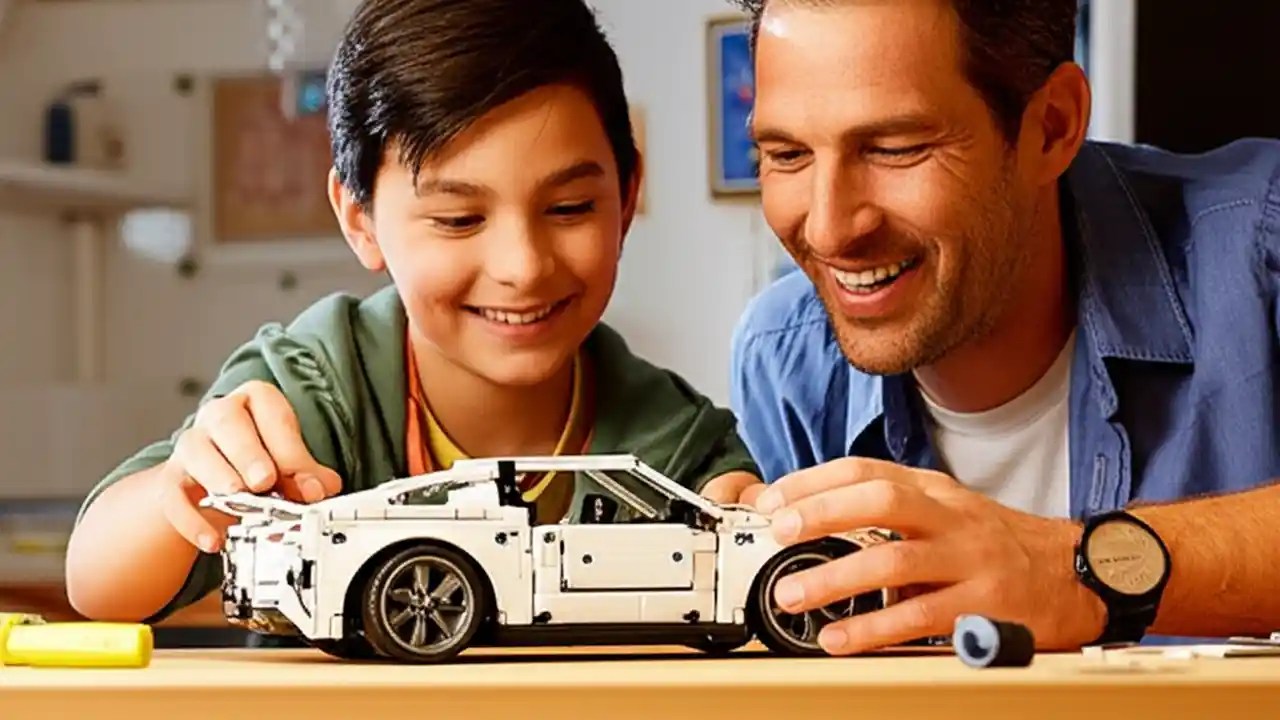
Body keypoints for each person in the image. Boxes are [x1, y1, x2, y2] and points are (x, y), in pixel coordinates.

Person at [65, 0, 764, 625]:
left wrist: (758, 525)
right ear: (359, 218)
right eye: (459, 219)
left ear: (627, 191)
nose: (522, 266)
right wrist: (189, 486)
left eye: (570, 208)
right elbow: (97, 585)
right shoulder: (313, 391)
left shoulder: (677, 445)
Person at [727, 0, 1280, 655]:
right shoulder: (782, 359)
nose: (828, 228)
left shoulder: (1263, 246)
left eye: (895, 148)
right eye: (787, 154)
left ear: (1052, 126)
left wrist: (1073, 571)